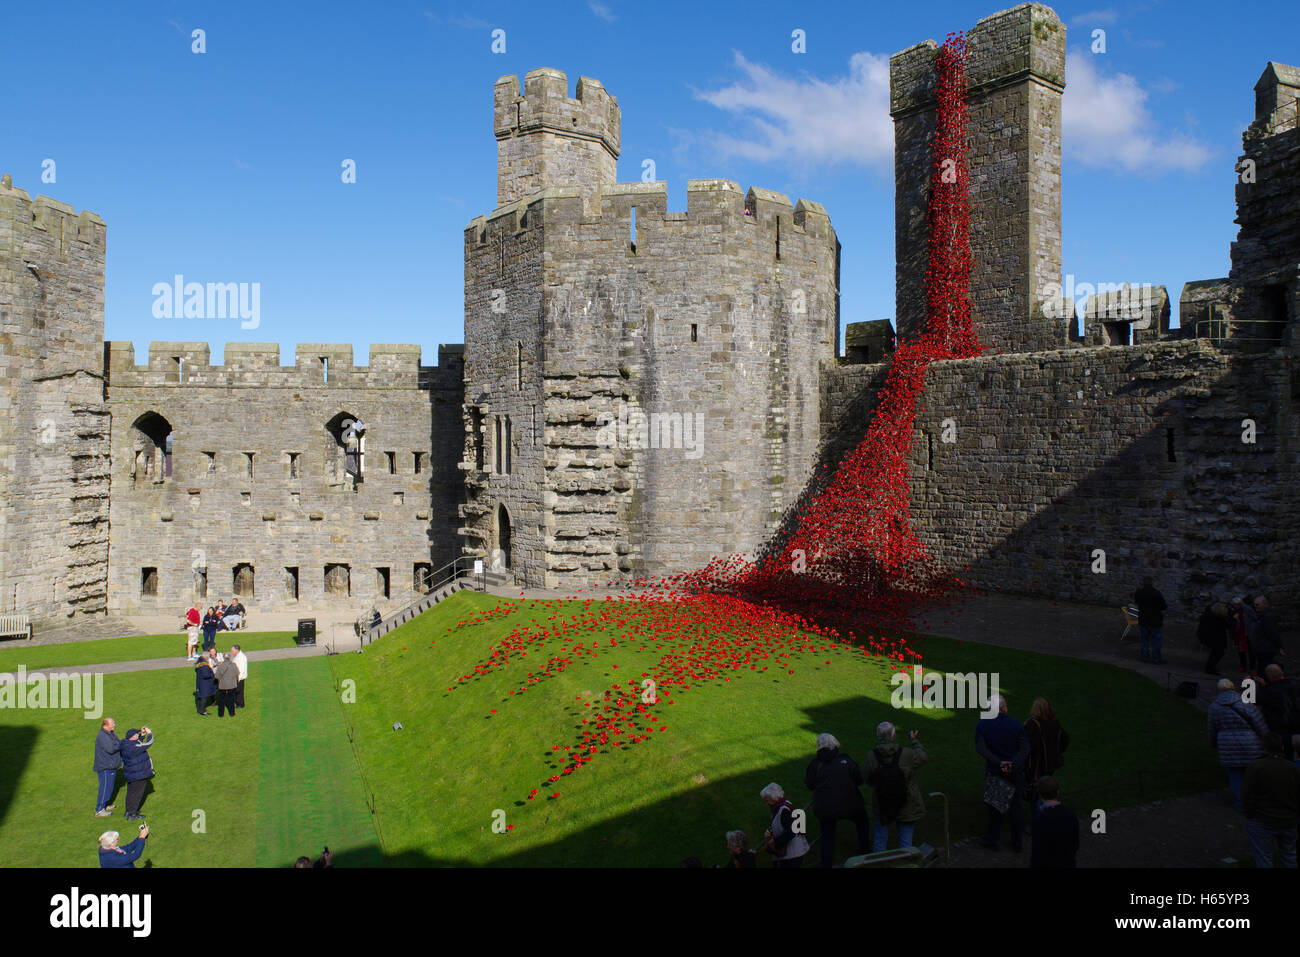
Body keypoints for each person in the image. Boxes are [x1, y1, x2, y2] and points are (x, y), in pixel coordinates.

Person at [804, 732, 870, 867]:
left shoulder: (815, 764)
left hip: (825, 806)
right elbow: (859, 779)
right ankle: (865, 852)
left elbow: (810, 784)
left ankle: (826, 863)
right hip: (849, 803)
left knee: (827, 834)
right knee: (862, 822)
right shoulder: (845, 760)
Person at [975, 694, 1029, 851]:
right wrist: (1013, 764)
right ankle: (1017, 842)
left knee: (994, 806)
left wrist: (999, 763)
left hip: (995, 771)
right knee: (1016, 807)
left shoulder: (982, 724)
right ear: (1004, 708)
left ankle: (992, 839)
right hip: (1015, 772)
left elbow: (981, 748)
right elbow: (1025, 748)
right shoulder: (1015, 724)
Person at [1207, 677, 1269, 808]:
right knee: (1252, 773)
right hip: (1249, 742)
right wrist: (1266, 738)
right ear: (1233, 687)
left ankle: (1240, 802)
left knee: (1235, 774)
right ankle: (1255, 799)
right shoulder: (1245, 702)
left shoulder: (1213, 707)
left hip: (1227, 744)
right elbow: (1258, 722)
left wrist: (1213, 743)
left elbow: (1212, 728)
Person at [865, 722, 928, 852]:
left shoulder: (871, 756)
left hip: (882, 803)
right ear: (894, 736)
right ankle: (904, 862)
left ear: (878, 736)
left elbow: (867, 779)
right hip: (906, 802)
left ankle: (879, 862)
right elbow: (923, 757)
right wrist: (914, 740)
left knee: (880, 840)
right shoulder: (907, 754)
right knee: (906, 842)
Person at [1242, 732, 1299, 868]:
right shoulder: (1292, 768)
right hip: (1288, 820)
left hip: (1262, 820)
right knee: (1289, 856)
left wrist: (1250, 814)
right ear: (1282, 747)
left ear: (1262, 747)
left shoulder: (1255, 767)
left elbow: (1246, 794)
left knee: (1264, 858)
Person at [1024, 698, 1069, 803]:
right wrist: (1057, 752)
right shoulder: (1054, 722)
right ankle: (1048, 807)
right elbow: (1065, 739)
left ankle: (1040, 810)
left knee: (1036, 791)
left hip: (1037, 765)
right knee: (1046, 788)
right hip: (1051, 763)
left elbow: (1027, 746)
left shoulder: (1032, 724)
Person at [1030, 776, 1079, 868]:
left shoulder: (1040, 820)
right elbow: (1075, 843)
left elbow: (1037, 851)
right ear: (1058, 792)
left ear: (1040, 795)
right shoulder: (1070, 814)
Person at [759, 783, 808, 868]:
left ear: (774, 798)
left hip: (792, 855)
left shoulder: (783, 810)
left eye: (767, 800)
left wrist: (775, 842)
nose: (766, 803)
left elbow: (791, 832)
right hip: (793, 854)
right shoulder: (783, 805)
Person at [1258, 665, 1300, 760]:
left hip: (1280, 730)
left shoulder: (1269, 691)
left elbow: (1251, 700)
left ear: (1269, 677)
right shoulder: (1295, 685)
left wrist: (1248, 684)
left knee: (1285, 757)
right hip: (1296, 727)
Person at [120, 726, 155, 820]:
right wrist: (149, 733)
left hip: (131, 774)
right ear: (132, 737)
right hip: (138, 775)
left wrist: (142, 735)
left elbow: (138, 743)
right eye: (136, 734)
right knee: (137, 794)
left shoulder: (126, 744)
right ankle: (132, 814)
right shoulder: (133, 747)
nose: (137, 735)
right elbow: (148, 744)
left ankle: (129, 811)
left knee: (131, 793)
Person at [1133, 576, 1167, 664]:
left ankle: (1145, 656)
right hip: (1155, 620)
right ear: (1152, 583)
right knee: (1156, 640)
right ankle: (1156, 658)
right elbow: (1163, 606)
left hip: (1143, 619)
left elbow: (1136, 602)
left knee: (1144, 639)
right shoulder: (1156, 593)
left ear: (1143, 583)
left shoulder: (1139, 593)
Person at [93, 717, 123, 817]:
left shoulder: (110, 733)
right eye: (112, 724)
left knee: (109, 788)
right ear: (105, 725)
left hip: (111, 765)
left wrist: (120, 743)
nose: (114, 725)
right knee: (105, 788)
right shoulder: (102, 736)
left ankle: (105, 805)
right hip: (105, 766)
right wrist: (121, 745)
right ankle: (99, 810)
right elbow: (111, 748)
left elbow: (117, 743)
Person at [1197, 602, 1232, 676]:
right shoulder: (1218, 619)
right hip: (1213, 638)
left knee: (1215, 652)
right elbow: (1228, 626)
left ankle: (1210, 667)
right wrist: (1233, 618)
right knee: (1219, 652)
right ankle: (1210, 668)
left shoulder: (1208, 614)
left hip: (1206, 636)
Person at [1251, 596, 1285, 673]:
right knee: (1264, 666)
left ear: (1265, 605)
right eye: (1254, 604)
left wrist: (1280, 646)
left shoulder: (1267, 617)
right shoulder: (1263, 616)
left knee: (1265, 667)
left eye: (1257, 604)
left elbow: (1273, 633)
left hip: (1265, 649)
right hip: (1262, 648)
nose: (1255, 606)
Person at [1231, 596, 1254, 674]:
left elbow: (1253, 618)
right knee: (1241, 651)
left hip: (1247, 632)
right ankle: (1243, 666)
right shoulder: (1235, 610)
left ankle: (1252, 668)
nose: (1235, 606)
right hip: (1240, 633)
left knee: (1251, 651)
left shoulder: (1247, 609)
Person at [215, 650, 240, 718]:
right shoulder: (233, 665)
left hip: (222, 685)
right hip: (232, 684)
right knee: (231, 700)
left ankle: (221, 714)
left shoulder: (221, 666)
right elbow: (237, 673)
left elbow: (217, 676)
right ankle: (232, 713)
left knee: (221, 700)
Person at [194, 651, 218, 716]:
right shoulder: (204, 666)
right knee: (204, 697)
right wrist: (212, 674)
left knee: (200, 697)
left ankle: (199, 709)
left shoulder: (199, 662)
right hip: (205, 684)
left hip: (200, 682)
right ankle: (203, 711)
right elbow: (206, 675)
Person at [231, 643, 249, 709]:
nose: (231, 652)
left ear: (237, 650)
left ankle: (240, 704)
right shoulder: (237, 656)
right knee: (237, 691)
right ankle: (239, 703)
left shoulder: (241, 658)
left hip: (240, 678)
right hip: (237, 676)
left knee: (239, 691)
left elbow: (241, 669)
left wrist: (239, 678)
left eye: (232, 651)